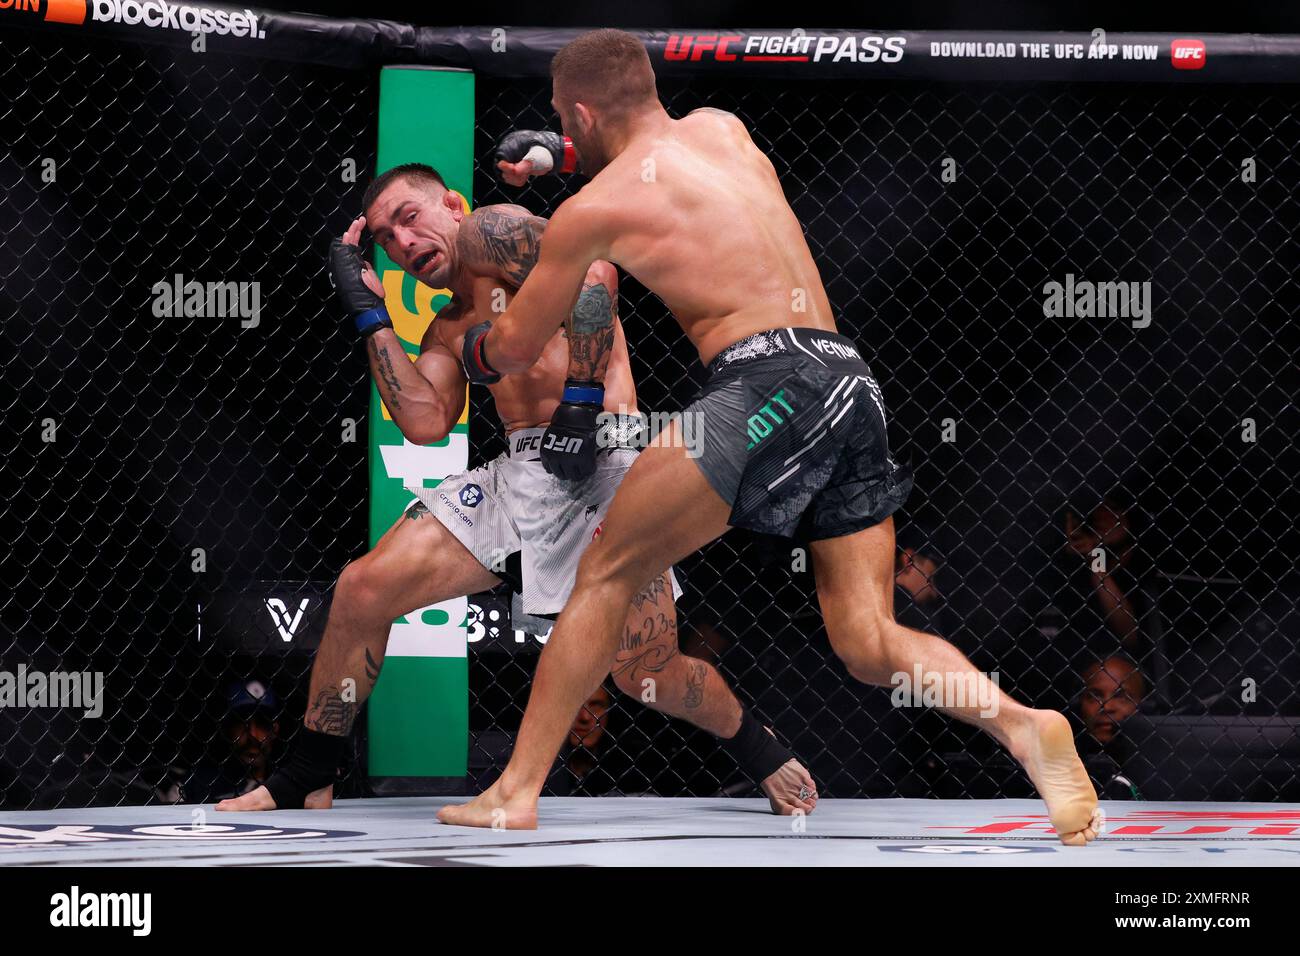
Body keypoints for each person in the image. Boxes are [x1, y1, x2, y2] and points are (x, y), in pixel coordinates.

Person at [439, 29, 1099, 845]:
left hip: (763, 383)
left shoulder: (590, 212)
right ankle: (1022, 724)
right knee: (867, 638)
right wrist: (565, 151)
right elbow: (661, 171)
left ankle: (514, 790)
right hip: (848, 379)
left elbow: (509, 346)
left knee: (607, 570)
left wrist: (462, 343)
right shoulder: (724, 128)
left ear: (575, 111)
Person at [216, 163, 815, 814]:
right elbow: (422, 421)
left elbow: (594, 273)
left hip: (606, 458)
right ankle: (309, 769)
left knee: (647, 674)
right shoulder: (446, 325)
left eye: (410, 218)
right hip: (523, 470)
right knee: (363, 590)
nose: (402, 243)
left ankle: (759, 748)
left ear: (451, 203)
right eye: (386, 238)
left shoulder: (494, 231)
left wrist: (581, 403)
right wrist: (370, 315)